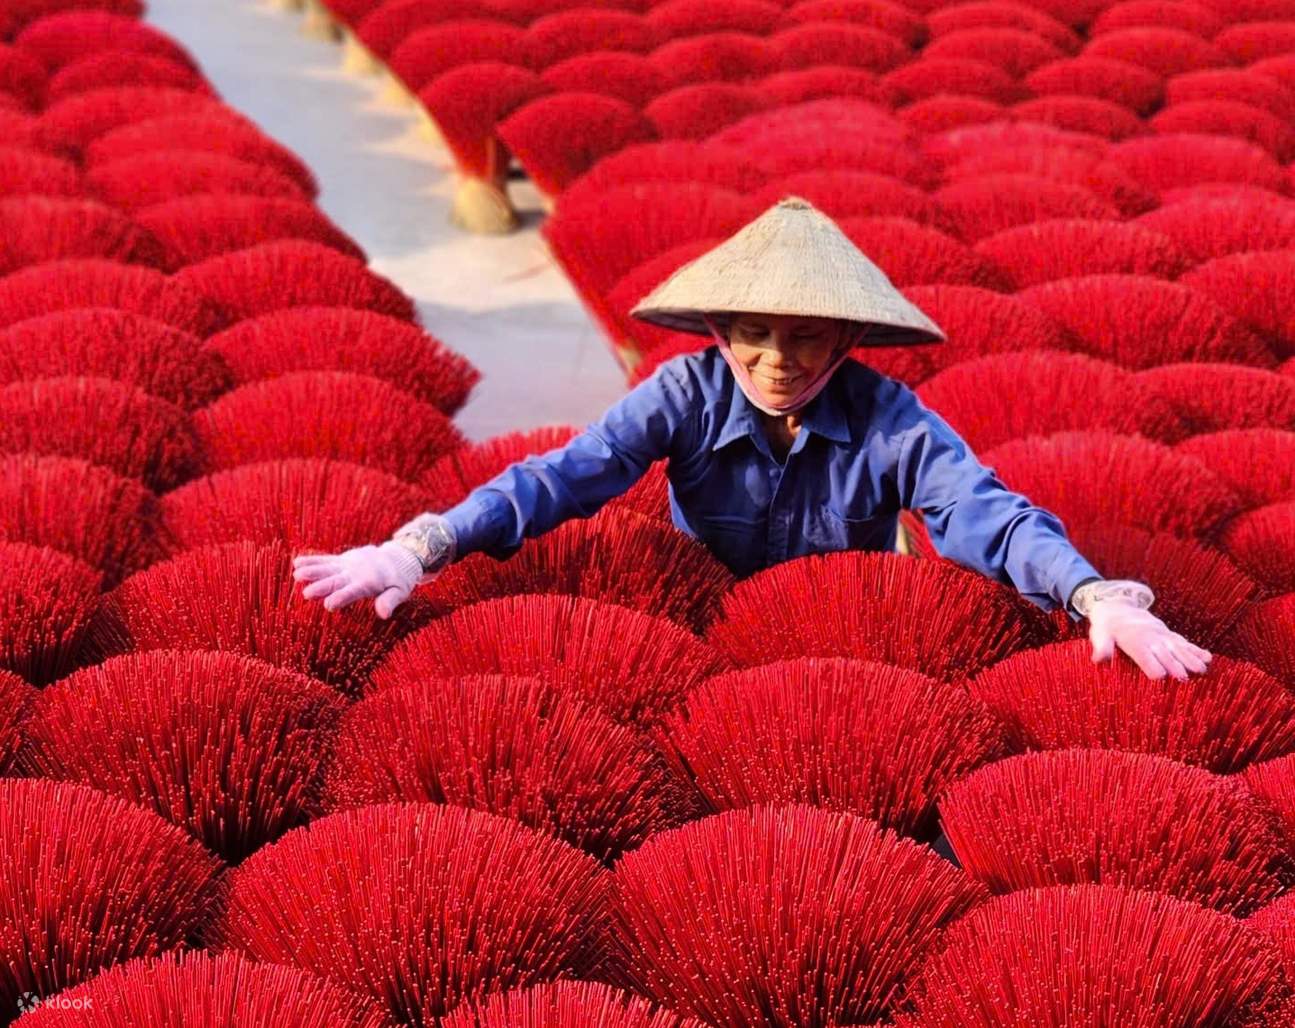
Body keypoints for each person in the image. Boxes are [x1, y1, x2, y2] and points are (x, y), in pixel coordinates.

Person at [293, 197, 1213, 682]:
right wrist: (420, 545)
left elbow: (986, 516)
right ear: (721, 332)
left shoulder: (890, 420)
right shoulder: (683, 393)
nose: (776, 359)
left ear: (847, 339)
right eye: (755, 334)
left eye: (806, 334)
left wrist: (1092, 597)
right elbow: (564, 477)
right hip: (695, 625)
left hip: (841, 642)